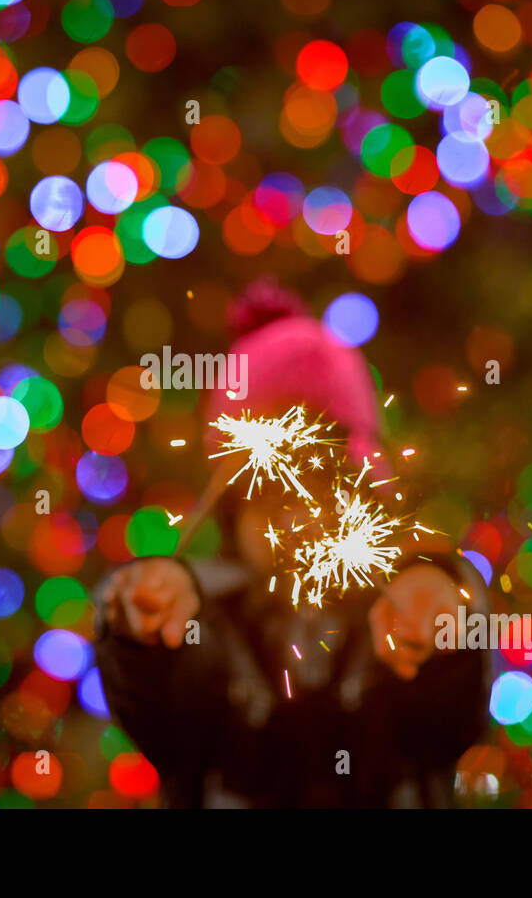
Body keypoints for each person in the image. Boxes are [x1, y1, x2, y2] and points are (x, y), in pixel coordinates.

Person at [94, 280, 490, 807]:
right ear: (232, 507)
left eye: (325, 486)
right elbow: (161, 706)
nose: (299, 520)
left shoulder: (395, 613)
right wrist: (147, 634)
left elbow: (449, 716)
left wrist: (441, 626)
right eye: (273, 493)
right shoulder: (208, 618)